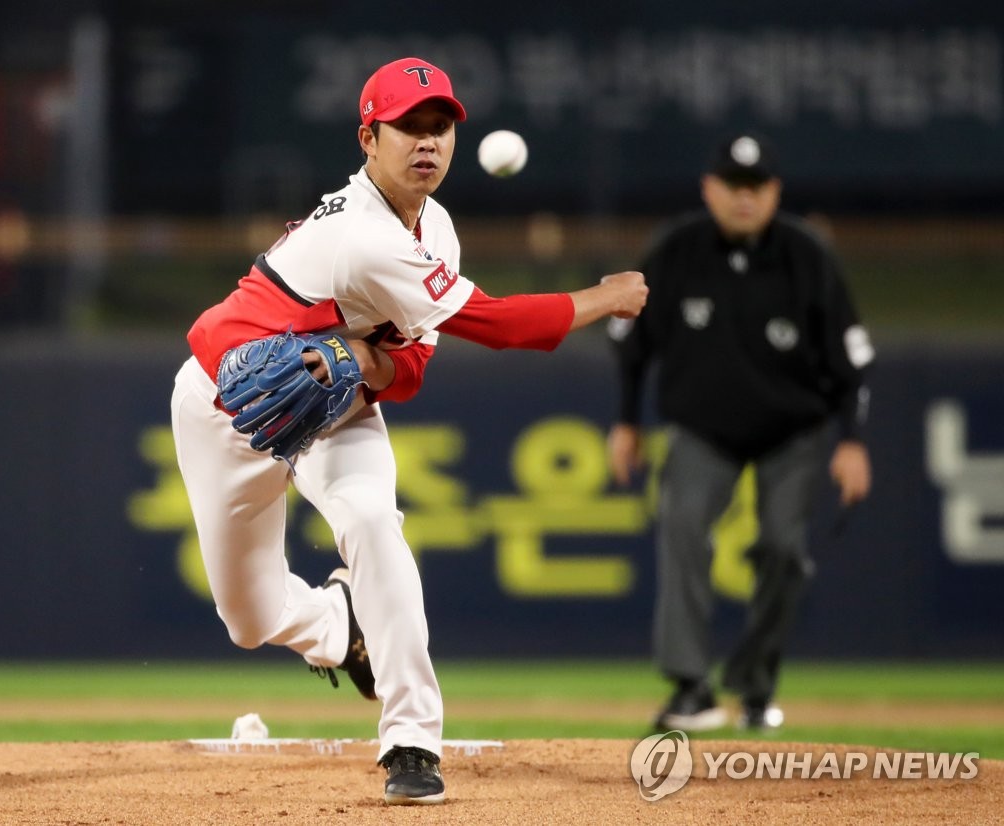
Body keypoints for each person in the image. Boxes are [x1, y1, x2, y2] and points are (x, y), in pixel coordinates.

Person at [170, 56, 647, 806]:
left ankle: (412, 739)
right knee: (248, 618)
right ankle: (336, 624)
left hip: (337, 405)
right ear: (369, 137)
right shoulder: (366, 236)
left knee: (371, 520)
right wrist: (603, 296)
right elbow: (498, 326)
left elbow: (414, 369)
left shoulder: (436, 229)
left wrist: (361, 359)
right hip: (222, 405)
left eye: (441, 126)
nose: (429, 142)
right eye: (408, 127)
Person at [607, 132, 873, 732]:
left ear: (775, 192)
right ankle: (691, 686)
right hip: (704, 430)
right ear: (710, 189)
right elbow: (631, 339)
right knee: (681, 524)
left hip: (792, 432)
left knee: (781, 546)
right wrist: (627, 421)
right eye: (733, 185)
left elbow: (853, 359)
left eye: (757, 187)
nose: (745, 198)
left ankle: (754, 685)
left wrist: (852, 440)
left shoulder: (807, 256)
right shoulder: (678, 250)